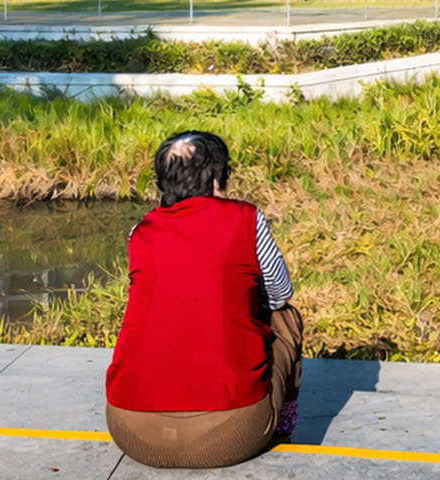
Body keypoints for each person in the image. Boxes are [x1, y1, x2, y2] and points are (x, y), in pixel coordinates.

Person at [106, 131, 302, 469]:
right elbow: (281, 294)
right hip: (233, 434)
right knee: (287, 316)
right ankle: (278, 428)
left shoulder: (139, 232)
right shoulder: (246, 219)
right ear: (215, 178)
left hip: (130, 431)